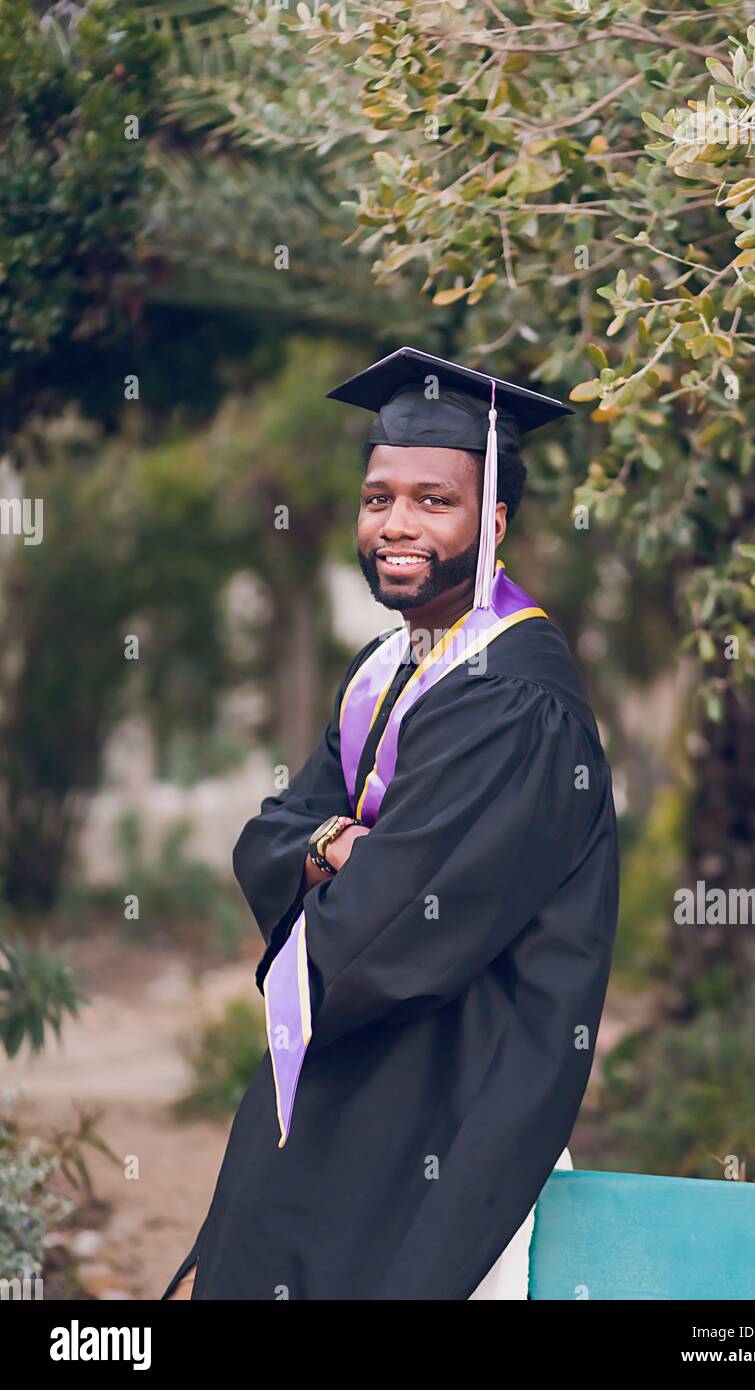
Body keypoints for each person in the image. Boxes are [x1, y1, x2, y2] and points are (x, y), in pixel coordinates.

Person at [162, 347, 619, 1301]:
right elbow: (272, 834)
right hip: (352, 1074)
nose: (396, 525)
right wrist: (330, 843)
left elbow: (393, 928)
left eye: (432, 499)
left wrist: (333, 870)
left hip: (449, 1097)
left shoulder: (513, 700)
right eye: (379, 499)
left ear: (492, 521)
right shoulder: (393, 665)